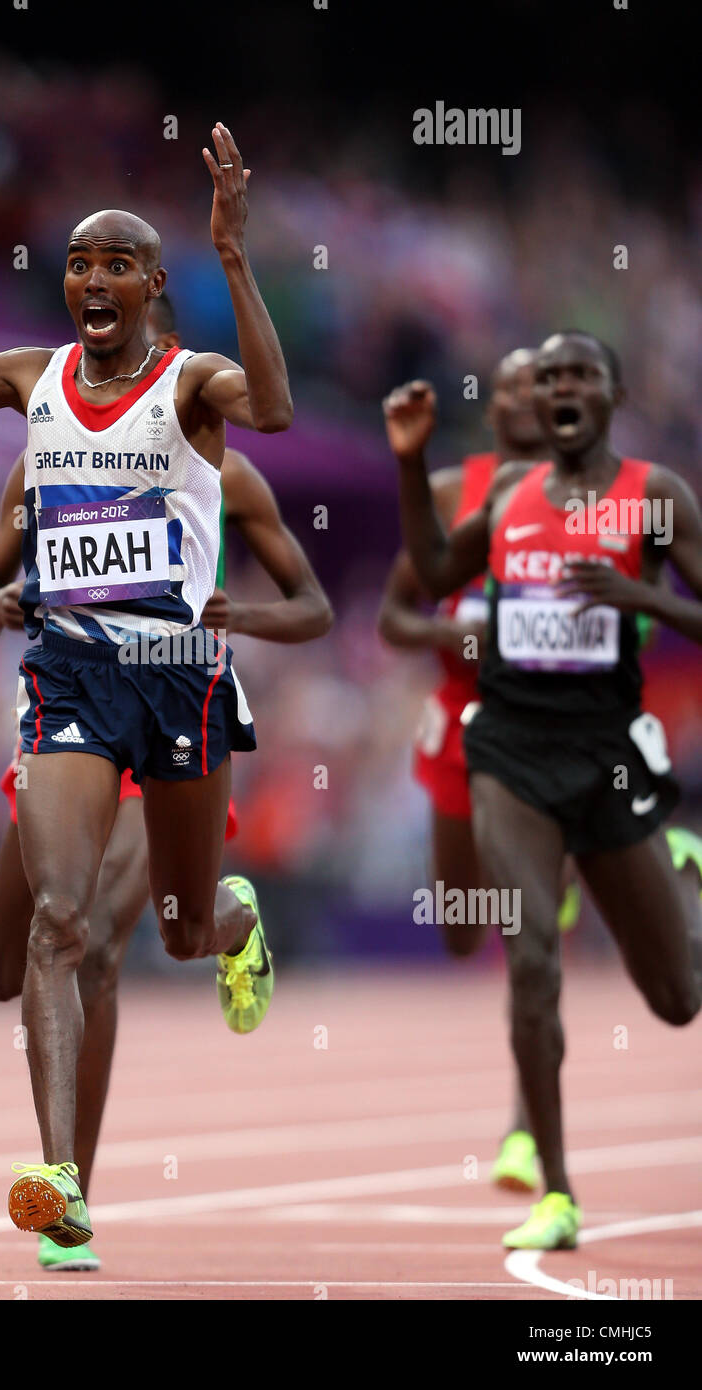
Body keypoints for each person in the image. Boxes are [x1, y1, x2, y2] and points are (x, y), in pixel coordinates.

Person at [0, 122, 294, 1250]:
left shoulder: (192, 384)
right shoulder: (28, 379)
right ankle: (59, 1181)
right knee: (60, 923)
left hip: (177, 669)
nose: (92, 278)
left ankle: (238, 927)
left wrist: (236, 255)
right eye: (79, 262)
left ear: (152, 286)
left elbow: (271, 409)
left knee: (180, 928)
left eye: (116, 262)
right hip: (72, 673)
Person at [0, 298, 332, 1270]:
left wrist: (237, 615)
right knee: (5, 967)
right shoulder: (46, 454)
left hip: (166, 714)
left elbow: (315, 609)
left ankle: (64, 1191)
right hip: (60, 719)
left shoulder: (226, 471)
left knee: (89, 944)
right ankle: (227, 917)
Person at [384, 330, 702, 1250]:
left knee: (679, 998)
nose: (563, 388)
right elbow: (438, 574)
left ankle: (682, 877)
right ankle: (555, 1190)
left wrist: (646, 602)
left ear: (613, 393)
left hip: (606, 753)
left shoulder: (656, 497)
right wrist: (410, 467)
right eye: (550, 374)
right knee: (529, 959)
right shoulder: (513, 496)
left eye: (581, 375)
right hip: (510, 750)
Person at [378, 348, 563, 1194]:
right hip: (459, 725)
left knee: (532, 942)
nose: (524, 402)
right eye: (510, 390)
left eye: (542, 389)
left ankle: (527, 1134)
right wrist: (444, 637)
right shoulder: (456, 492)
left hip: (556, 733)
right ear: (490, 409)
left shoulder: (597, 497)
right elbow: (392, 617)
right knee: (460, 930)